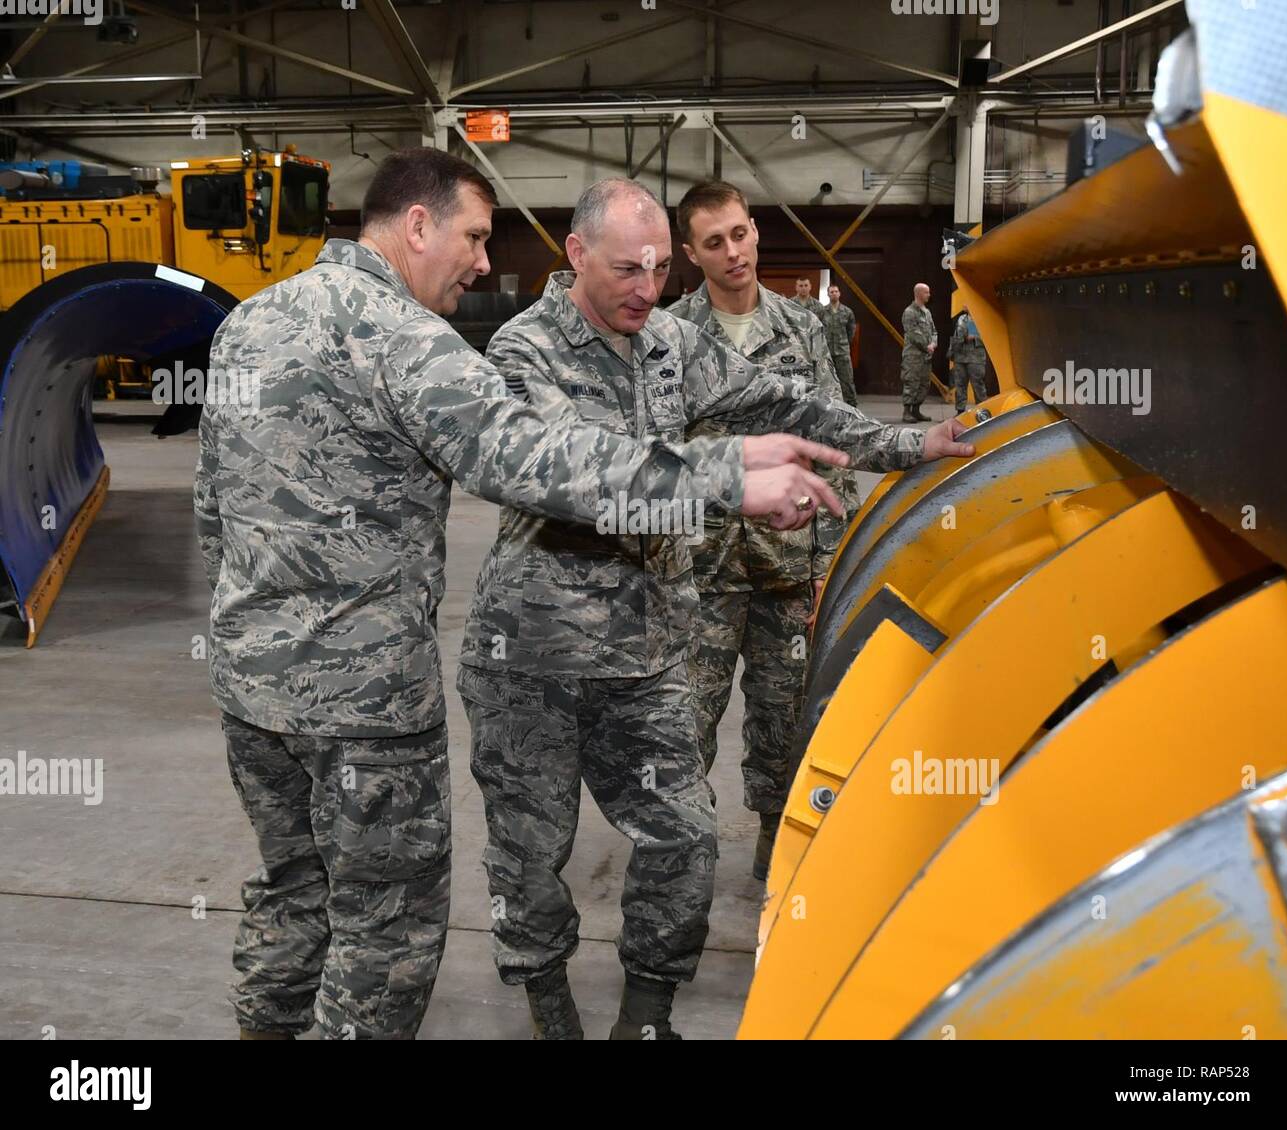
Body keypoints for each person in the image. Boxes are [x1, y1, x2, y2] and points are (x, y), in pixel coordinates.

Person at [195, 148, 842, 1042]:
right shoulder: (408, 339)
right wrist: (726, 471)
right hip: (367, 702)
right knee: (384, 934)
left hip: (250, 689)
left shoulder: (247, 323)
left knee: (292, 891)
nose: (482, 261)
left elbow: (213, 509)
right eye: (471, 236)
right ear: (415, 225)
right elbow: (538, 462)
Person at [455, 177, 974, 1040]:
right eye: (627, 268)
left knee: (686, 838)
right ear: (577, 256)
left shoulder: (667, 344)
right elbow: (572, 475)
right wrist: (731, 479)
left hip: (650, 653)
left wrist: (906, 445)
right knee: (530, 853)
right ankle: (549, 1002)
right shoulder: (523, 351)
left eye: (659, 268)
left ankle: (648, 1014)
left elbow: (788, 403)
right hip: (534, 660)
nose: (646, 288)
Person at [668, 179, 858, 881]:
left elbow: (836, 440)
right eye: (713, 242)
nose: (732, 252)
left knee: (784, 727)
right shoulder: (672, 336)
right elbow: (654, 460)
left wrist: (829, 570)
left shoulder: (804, 327)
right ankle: (682, 858)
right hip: (703, 575)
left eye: (740, 234)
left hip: (787, 574)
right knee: (684, 727)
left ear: (755, 231)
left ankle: (776, 854)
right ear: (691, 252)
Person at [901, 281, 938, 422]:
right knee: (911, 383)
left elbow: (934, 330)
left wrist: (934, 343)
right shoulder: (909, 312)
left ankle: (916, 410)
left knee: (924, 384)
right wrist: (926, 346)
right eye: (926, 292)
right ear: (918, 294)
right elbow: (912, 333)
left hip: (926, 356)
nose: (929, 295)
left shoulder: (927, 312)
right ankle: (906, 412)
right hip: (913, 356)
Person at [822, 284, 858, 407]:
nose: (834, 294)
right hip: (827, 352)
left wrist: (844, 342)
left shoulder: (847, 312)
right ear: (828, 294)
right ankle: (831, 406)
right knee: (827, 380)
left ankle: (852, 405)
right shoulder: (822, 311)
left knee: (847, 380)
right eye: (831, 292)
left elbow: (851, 331)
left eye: (836, 291)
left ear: (839, 293)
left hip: (842, 351)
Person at [947, 306, 989, 413]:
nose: (963, 305)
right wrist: (951, 351)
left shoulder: (981, 317)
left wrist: (974, 337)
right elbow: (956, 335)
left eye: (966, 302)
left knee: (978, 386)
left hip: (975, 358)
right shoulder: (962, 319)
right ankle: (960, 411)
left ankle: (982, 412)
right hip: (960, 357)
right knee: (960, 385)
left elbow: (989, 337)